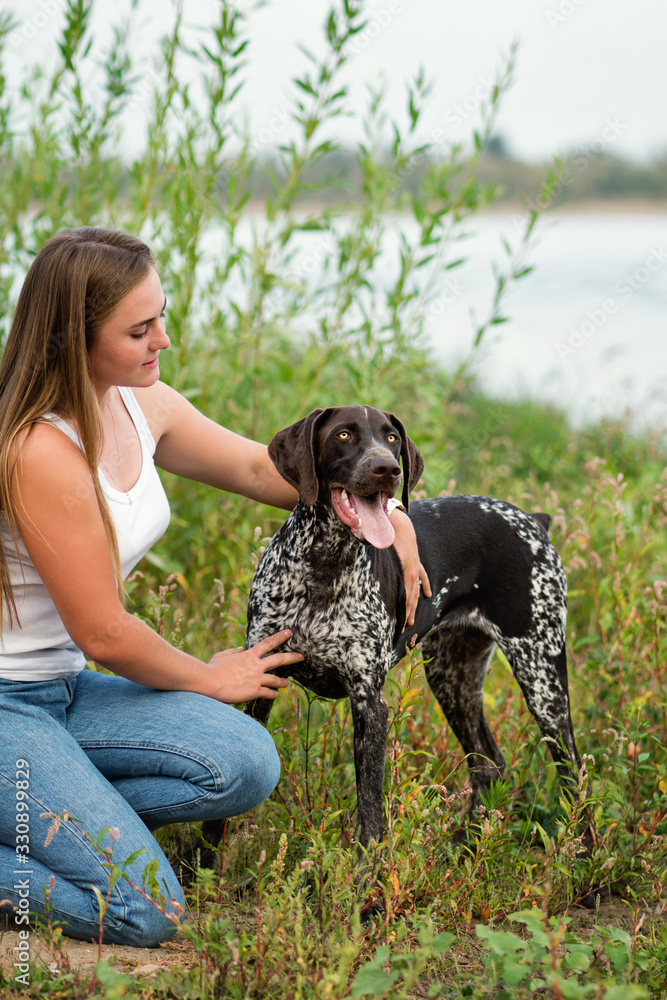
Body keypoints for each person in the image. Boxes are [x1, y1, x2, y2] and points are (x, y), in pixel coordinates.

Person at [0, 228, 429, 947]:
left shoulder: (142, 403)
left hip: (62, 692)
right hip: (9, 704)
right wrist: (208, 676)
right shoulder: (40, 448)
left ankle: (49, 819)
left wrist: (389, 515)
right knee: (146, 910)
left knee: (243, 762)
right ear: (75, 336)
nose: (161, 340)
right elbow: (103, 632)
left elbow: (273, 475)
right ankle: (49, 831)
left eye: (161, 317)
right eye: (140, 329)